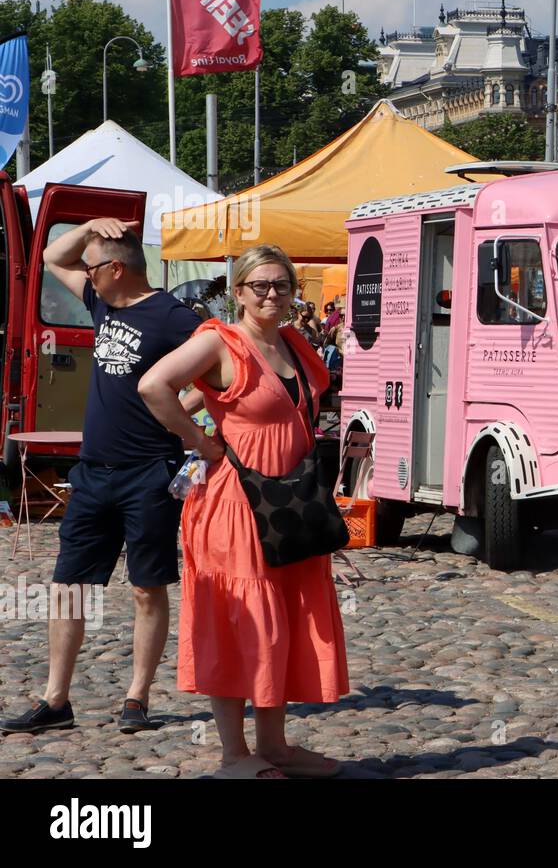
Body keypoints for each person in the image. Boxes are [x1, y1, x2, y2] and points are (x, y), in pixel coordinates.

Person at [138, 244, 348, 779]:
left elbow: (251, 401)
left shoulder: (295, 344)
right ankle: (234, 754)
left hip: (291, 503)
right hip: (235, 504)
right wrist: (202, 444)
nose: (273, 293)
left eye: (282, 284)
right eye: (261, 285)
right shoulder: (219, 339)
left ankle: (272, 746)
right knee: (241, 619)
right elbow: (153, 385)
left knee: (278, 620)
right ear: (239, 292)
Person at [1, 219, 200, 736]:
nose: (84, 276)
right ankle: (55, 699)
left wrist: (180, 418)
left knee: (146, 587)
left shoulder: (176, 319)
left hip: (149, 473)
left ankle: (137, 696)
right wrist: (88, 226)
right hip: (93, 471)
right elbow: (51, 258)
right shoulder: (102, 302)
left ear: (116, 268)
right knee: (68, 586)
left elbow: (216, 377)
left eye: (94, 268)